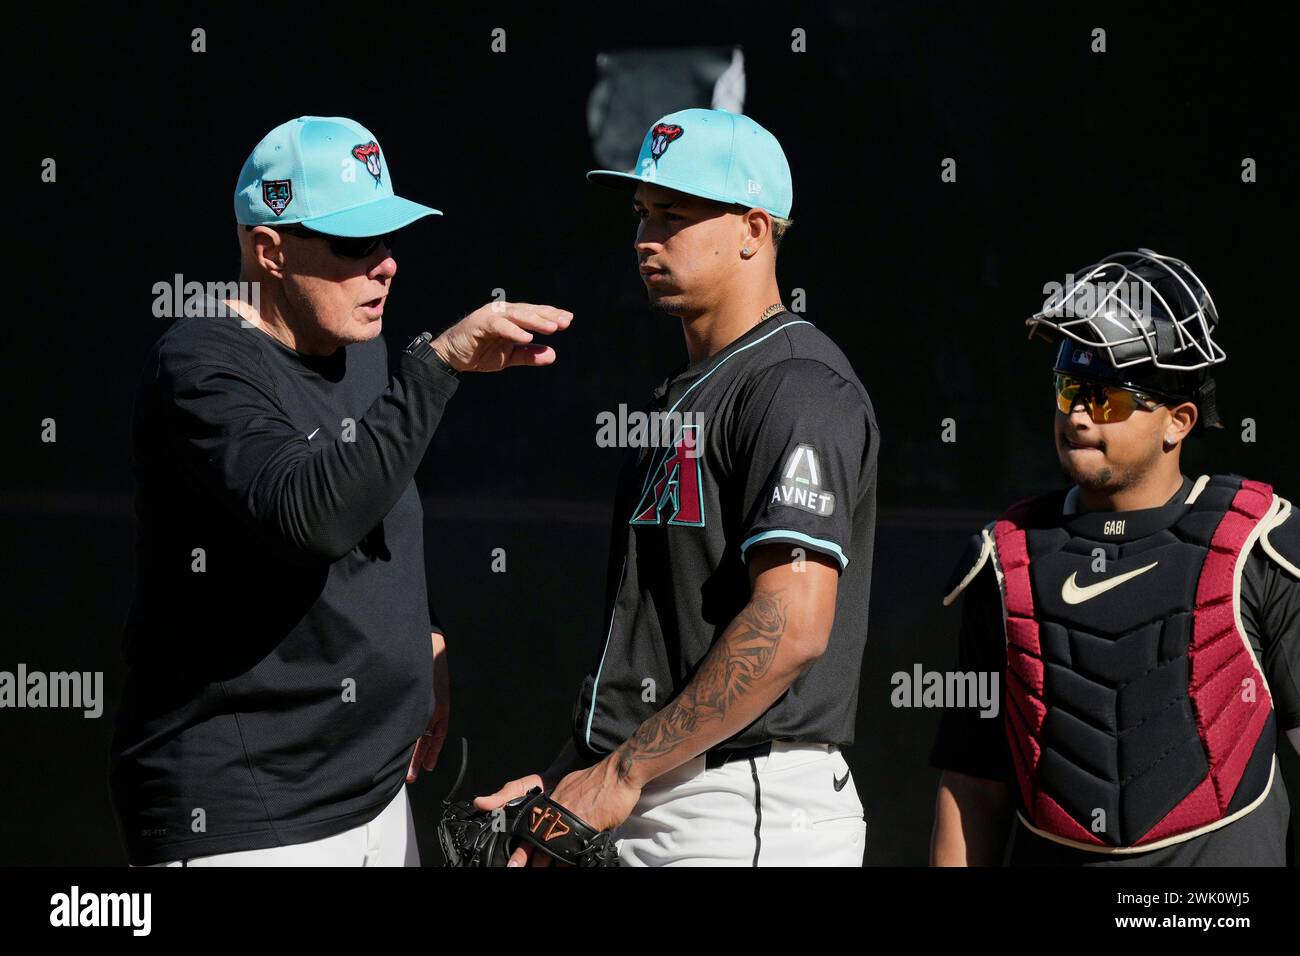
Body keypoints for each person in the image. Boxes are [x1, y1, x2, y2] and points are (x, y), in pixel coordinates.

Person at [109, 115, 571, 866]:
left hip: (374, 797)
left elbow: (372, 508)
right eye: (354, 243)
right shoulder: (199, 366)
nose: (384, 265)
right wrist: (441, 363)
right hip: (249, 819)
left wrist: (418, 637)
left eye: (388, 239)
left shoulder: (358, 352)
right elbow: (314, 516)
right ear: (269, 249)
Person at [475, 108, 880, 866]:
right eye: (641, 214)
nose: (645, 237)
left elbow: (792, 626)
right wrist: (571, 777)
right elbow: (659, 643)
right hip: (669, 789)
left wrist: (621, 773)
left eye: (675, 214)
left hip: (748, 803)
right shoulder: (686, 393)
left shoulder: (796, 385)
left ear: (755, 230)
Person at [930, 249, 1300, 866]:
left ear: (1177, 422)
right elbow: (972, 783)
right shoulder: (1005, 561)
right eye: (1069, 388)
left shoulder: (1258, 545)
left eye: (1106, 397)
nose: (1076, 413)